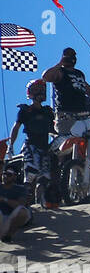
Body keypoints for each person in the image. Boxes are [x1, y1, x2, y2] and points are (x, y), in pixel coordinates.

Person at [5, 80, 58, 208]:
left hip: (45, 148)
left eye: (42, 89)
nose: (41, 92)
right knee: (30, 175)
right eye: (37, 89)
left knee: (45, 177)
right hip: (31, 146)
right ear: (31, 93)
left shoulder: (47, 112)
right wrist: (10, 146)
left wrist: (60, 138)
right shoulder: (25, 110)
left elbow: (53, 130)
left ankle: (44, 202)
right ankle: (25, 204)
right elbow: (16, 127)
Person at [41, 48, 90, 137]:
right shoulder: (60, 71)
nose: (71, 58)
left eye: (72, 55)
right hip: (66, 114)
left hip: (82, 113)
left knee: (89, 139)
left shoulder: (79, 73)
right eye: (67, 55)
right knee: (69, 140)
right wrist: (60, 63)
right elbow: (45, 77)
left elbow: (87, 88)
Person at [0, 163, 32, 243]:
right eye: (4, 174)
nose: (5, 176)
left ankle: (9, 235)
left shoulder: (20, 189)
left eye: (9, 174)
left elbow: (20, 205)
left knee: (23, 212)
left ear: (15, 176)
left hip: (9, 218)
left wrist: (4, 199)